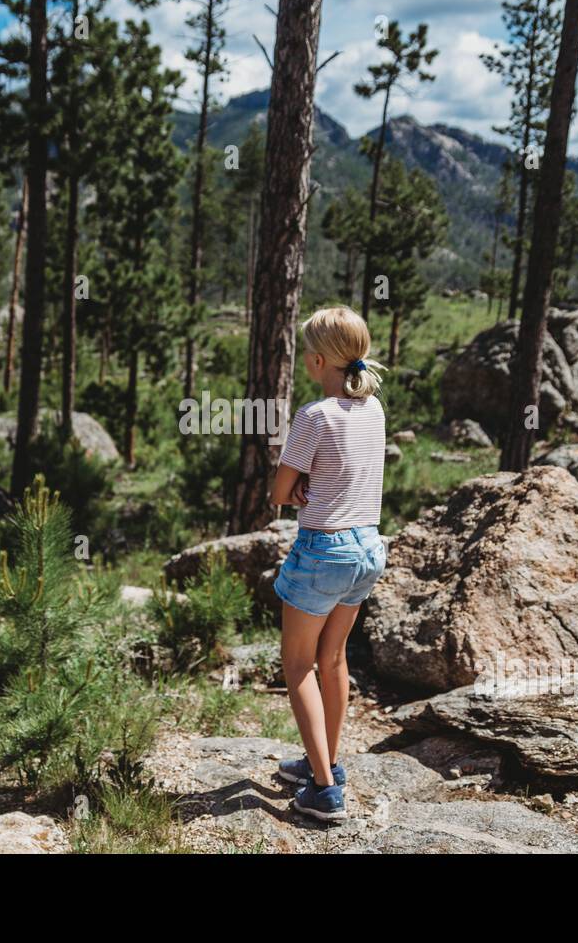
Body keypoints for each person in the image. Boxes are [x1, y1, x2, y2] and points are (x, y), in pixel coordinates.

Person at [269, 306, 388, 822]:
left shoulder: (314, 416)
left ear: (318, 360)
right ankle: (328, 763)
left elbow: (279, 492)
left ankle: (323, 792)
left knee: (298, 667)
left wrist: (297, 489)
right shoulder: (375, 410)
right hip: (367, 549)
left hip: (324, 549)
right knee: (333, 660)